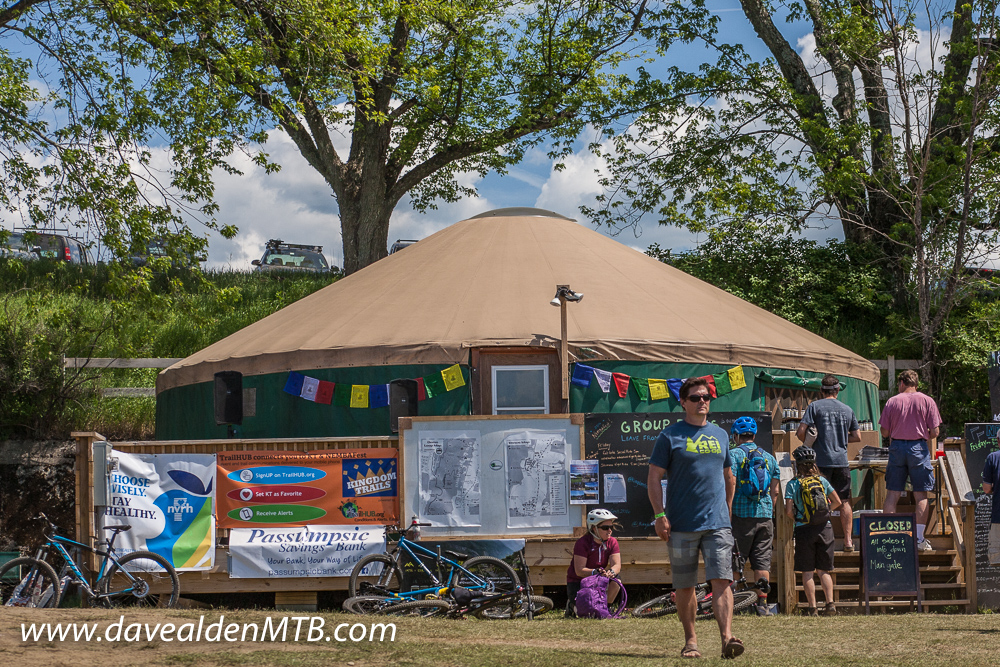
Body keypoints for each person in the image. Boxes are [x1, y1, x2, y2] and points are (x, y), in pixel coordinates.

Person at [648, 377, 744, 660]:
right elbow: (654, 476)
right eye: (695, 397)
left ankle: (727, 639)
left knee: (722, 579)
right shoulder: (669, 436)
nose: (702, 401)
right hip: (681, 525)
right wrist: (659, 515)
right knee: (685, 585)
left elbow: (729, 476)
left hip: (717, 524)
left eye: (706, 397)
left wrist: (727, 508)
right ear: (683, 402)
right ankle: (691, 641)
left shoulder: (721, 435)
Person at [795, 375, 861, 551]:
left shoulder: (814, 407)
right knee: (844, 501)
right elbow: (857, 436)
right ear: (838, 390)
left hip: (820, 462)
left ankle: (819, 540)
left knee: (817, 498)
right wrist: (840, 438)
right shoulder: (847, 409)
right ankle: (848, 541)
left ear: (821, 391)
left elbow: (800, 432)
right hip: (841, 462)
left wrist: (809, 443)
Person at [879, 369, 942, 551]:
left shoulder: (892, 401)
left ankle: (890, 537)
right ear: (916, 384)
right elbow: (935, 432)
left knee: (893, 493)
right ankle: (919, 539)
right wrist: (921, 434)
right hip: (918, 447)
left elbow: (884, 432)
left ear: (901, 383)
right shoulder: (927, 401)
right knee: (921, 494)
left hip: (897, 447)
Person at [728, 416, 780, 616]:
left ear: (736, 436)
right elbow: (775, 491)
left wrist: (728, 510)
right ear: (754, 435)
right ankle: (762, 604)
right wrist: (769, 510)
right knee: (762, 562)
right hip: (765, 516)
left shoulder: (734, 455)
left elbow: (731, 483)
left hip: (740, 516)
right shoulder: (769, 458)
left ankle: (734, 603)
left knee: (736, 560)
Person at [784, 445, 843, 617]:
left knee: (807, 571)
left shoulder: (793, 484)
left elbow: (788, 511)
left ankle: (812, 608)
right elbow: (838, 502)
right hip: (825, 528)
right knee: (824, 570)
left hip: (804, 529)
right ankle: (830, 604)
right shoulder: (822, 481)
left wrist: (799, 519)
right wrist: (825, 513)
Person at [565, 508, 622, 617]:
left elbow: (617, 565)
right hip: (579, 581)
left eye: (611, 527)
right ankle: (571, 605)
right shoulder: (582, 543)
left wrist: (611, 572)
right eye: (605, 528)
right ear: (594, 528)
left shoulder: (612, 542)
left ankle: (606, 607)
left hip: (598, 579)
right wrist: (595, 572)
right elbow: (579, 571)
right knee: (586, 614)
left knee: (617, 580)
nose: (609, 530)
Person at [980, 431, 1000, 566]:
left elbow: (986, 489)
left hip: (999, 516)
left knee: (997, 561)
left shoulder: (993, 458)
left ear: (998, 440)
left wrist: (995, 487)